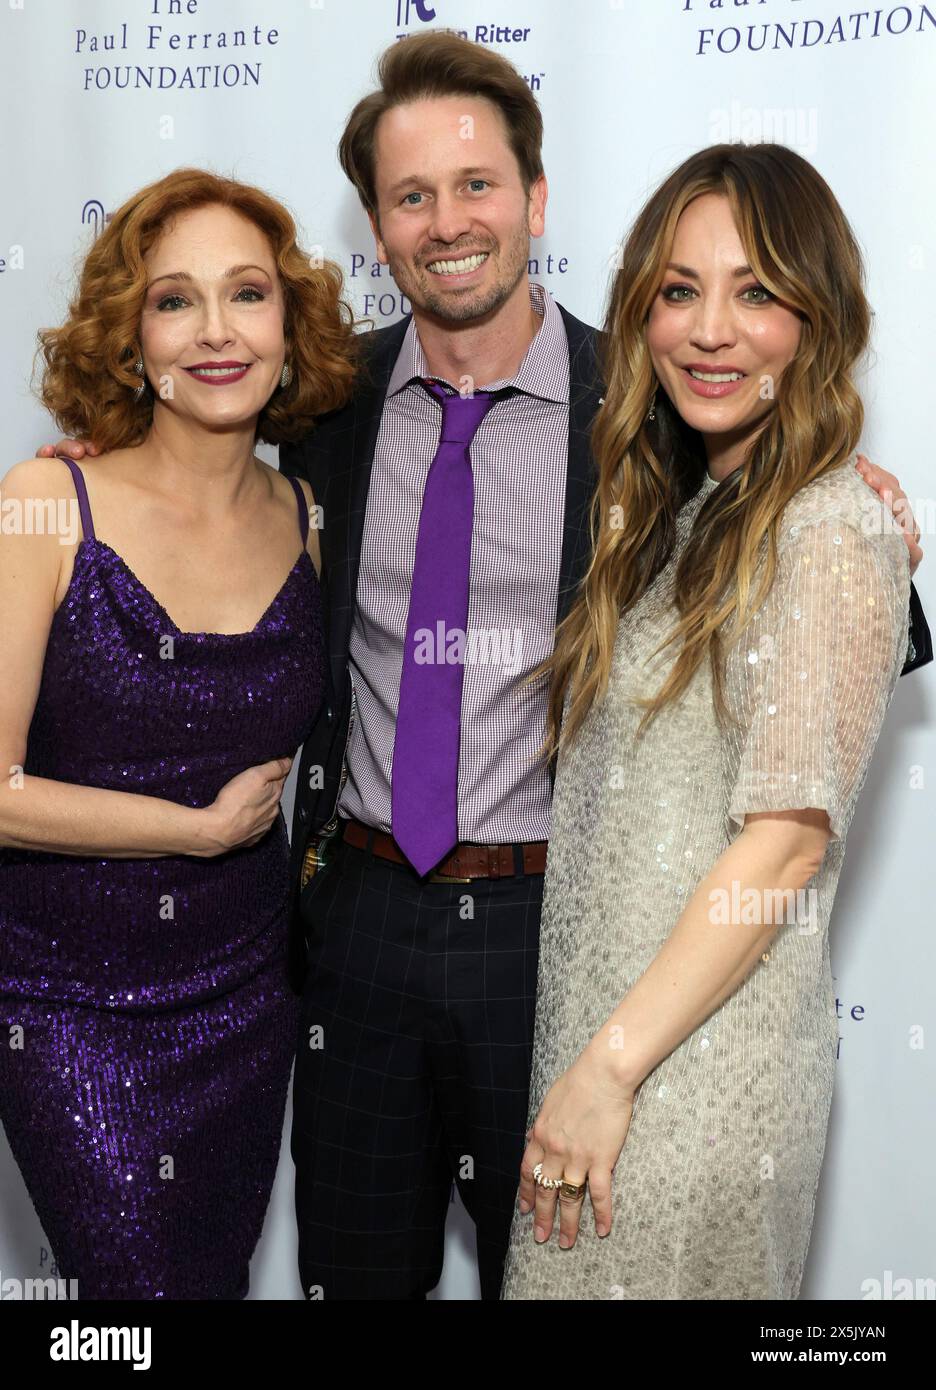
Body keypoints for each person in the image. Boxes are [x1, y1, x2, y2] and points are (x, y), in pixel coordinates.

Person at [274, 34, 928, 1300]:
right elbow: (184, 466)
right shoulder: (322, 404)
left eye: (478, 184)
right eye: (413, 196)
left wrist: (878, 518)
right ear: (376, 222)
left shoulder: (632, 396)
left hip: (548, 941)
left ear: (535, 197)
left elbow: (795, 568)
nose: (448, 221)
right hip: (354, 929)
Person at [501, 144, 917, 1300]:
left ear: (818, 319)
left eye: (758, 292)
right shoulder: (682, 513)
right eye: (679, 291)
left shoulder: (831, 528)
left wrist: (610, 1073)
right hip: (615, 1049)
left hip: (684, 1082)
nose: (711, 331)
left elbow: (783, 841)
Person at [5, 167, 356, 1298]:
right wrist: (192, 831)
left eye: (248, 294)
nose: (216, 331)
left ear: (289, 327)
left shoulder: (309, 517)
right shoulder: (49, 505)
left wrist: (827, 478)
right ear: (129, 337)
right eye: (175, 301)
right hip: (70, 1006)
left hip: (250, 997)